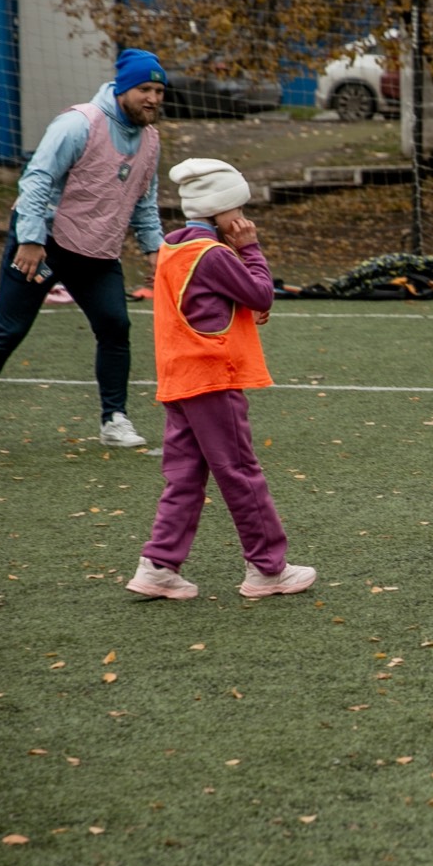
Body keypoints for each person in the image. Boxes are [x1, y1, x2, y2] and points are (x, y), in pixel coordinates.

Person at [126, 159, 315, 600]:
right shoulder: (212, 253)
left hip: (180, 377)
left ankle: (158, 565)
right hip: (212, 376)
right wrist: (251, 250)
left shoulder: (175, 248)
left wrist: (245, 298)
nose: (244, 220)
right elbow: (261, 292)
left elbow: (211, 302)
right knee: (240, 471)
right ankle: (268, 568)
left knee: (186, 475)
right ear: (220, 210)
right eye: (239, 210)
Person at [0, 47, 167, 448]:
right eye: (145, 88)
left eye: (159, 91)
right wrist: (33, 240)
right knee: (8, 330)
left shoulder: (151, 140)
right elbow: (36, 180)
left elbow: (144, 199)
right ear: (123, 88)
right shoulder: (78, 124)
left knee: (115, 326)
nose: (153, 99)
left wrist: (154, 248)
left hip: (97, 252)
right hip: (44, 245)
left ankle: (114, 420)